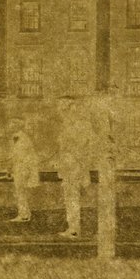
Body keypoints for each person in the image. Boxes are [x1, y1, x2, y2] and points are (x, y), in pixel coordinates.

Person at [56, 98, 89, 238]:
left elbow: (81, 146)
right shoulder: (66, 126)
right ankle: (72, 228)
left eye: (65, 110)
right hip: (68, 165)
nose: (62, 114)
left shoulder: (81, 126)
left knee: (73, 197)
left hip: (75, 165)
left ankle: (74, 229)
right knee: (69, 197)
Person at [9, 115, 39, 222]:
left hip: (23, 169)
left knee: (21, 191)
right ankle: (23, 214)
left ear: (18, 125)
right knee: (19, 191)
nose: (10, 126)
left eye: (12, 123)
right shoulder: (14, 138)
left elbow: (30, 156)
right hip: (18, 168)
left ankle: (24, 215)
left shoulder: (25, 138)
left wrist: (27, 170)